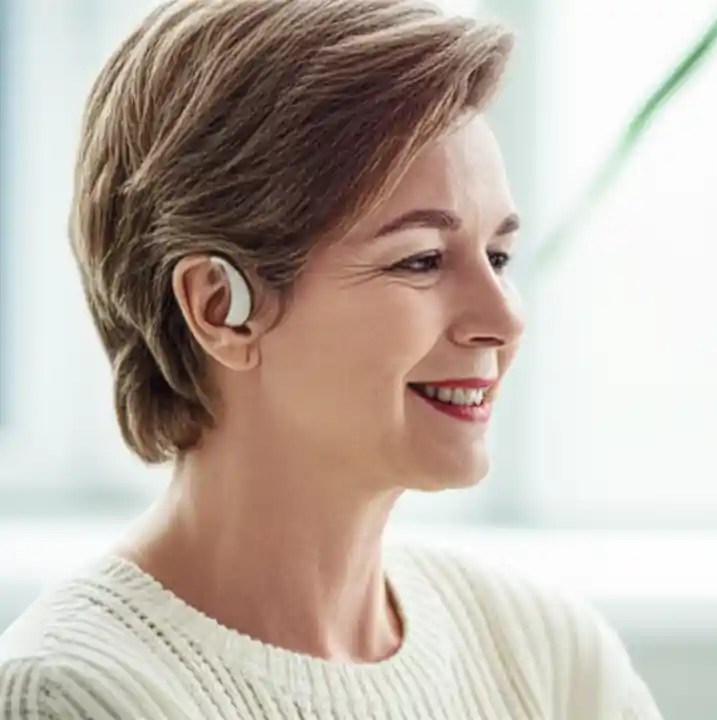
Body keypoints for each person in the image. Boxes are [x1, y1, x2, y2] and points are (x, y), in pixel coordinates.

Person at [0, 1, 662, 717]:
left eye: (498, 256)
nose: (503, 320)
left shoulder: (541, 649)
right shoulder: (77, 696)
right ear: (221, 307)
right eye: (422, 261)